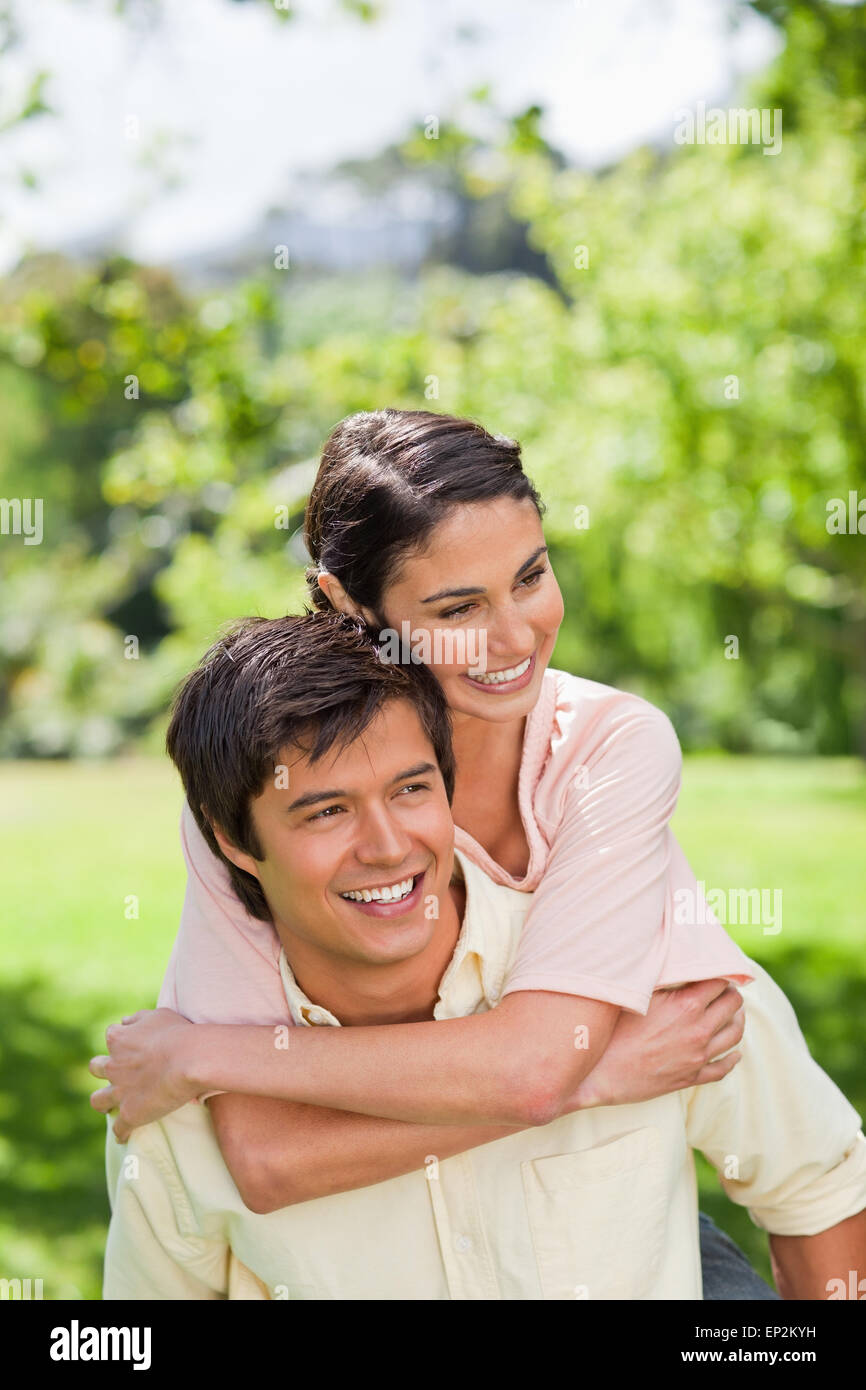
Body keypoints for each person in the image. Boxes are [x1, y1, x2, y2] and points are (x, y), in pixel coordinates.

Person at [96, 409, 762, 1292]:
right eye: (457, 609)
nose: (516, 639)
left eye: (530, 577)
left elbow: (536, 1066)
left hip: (613, 1230)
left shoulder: (609, 749)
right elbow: (264, 1160)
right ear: (344, 602)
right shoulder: (264, 782)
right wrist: (601, 1076)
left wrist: (197, 1056)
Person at [100, 615, 866, 1300]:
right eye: (327, 811)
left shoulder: (650, 981)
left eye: (410, 790)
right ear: (231, 840)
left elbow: (821, 1186)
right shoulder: (177, 1106)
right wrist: (590, 1082)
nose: (389, 846)